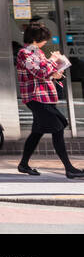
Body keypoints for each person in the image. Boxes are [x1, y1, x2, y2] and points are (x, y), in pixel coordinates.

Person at [16, 20, 83, 177]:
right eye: (45, 39)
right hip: (35, 97)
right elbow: (39, 73)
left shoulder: (37, 52)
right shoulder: (24, 53)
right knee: (57, 127)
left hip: (44, 96)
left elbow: (45, 72)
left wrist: (56, 73)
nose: (46, 42)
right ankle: (69, 169)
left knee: (37, 131)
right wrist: (53, 61)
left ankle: (23, 164)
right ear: (36, 38)